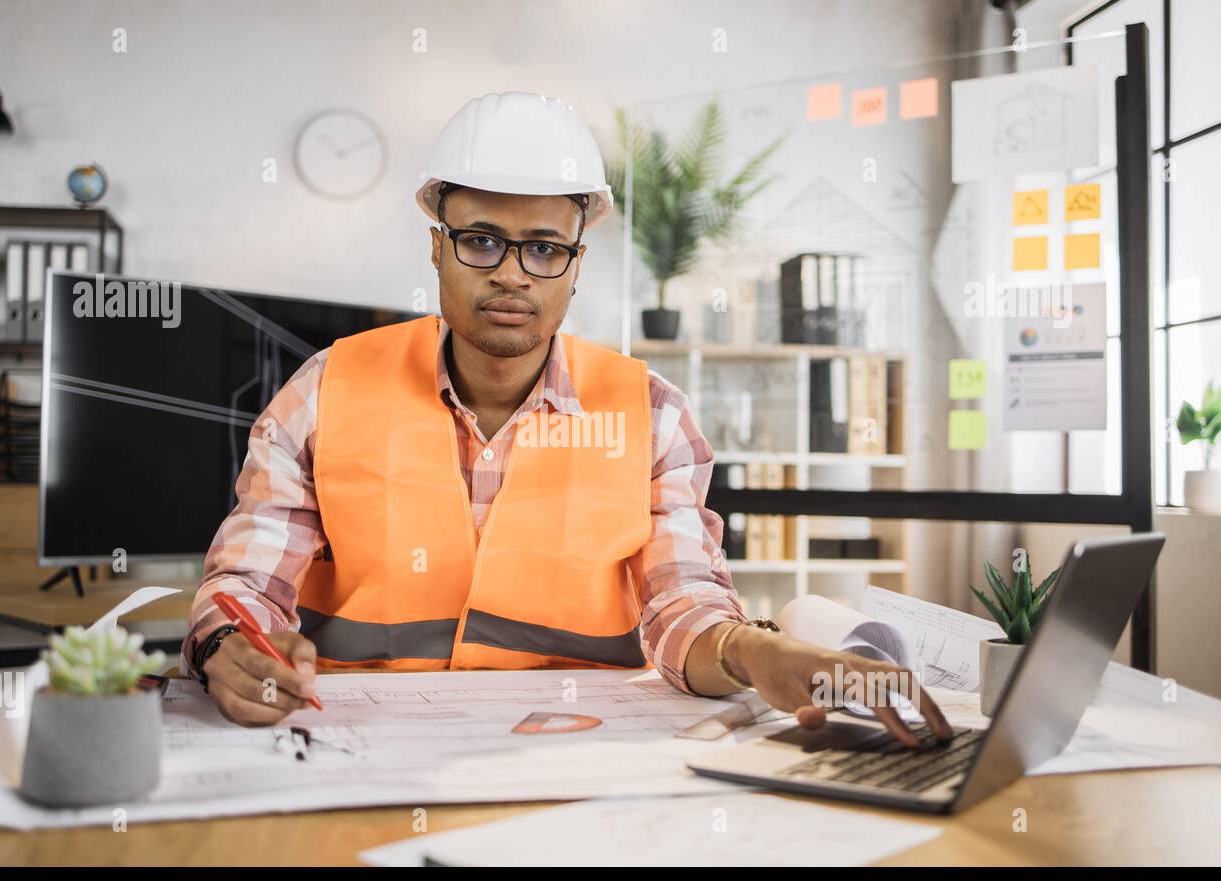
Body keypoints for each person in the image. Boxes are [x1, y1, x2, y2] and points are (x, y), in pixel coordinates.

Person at [183, 90, 950, 746]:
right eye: (481, 240)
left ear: (577, 265)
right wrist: (230, 644)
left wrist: (752, 652)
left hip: (575, 751)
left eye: (545, 248)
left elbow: (682, 604)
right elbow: (248, 579)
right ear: (436, 249)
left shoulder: (649, 414)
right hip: (348, 743)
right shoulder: (327, 388)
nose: (513, 272)